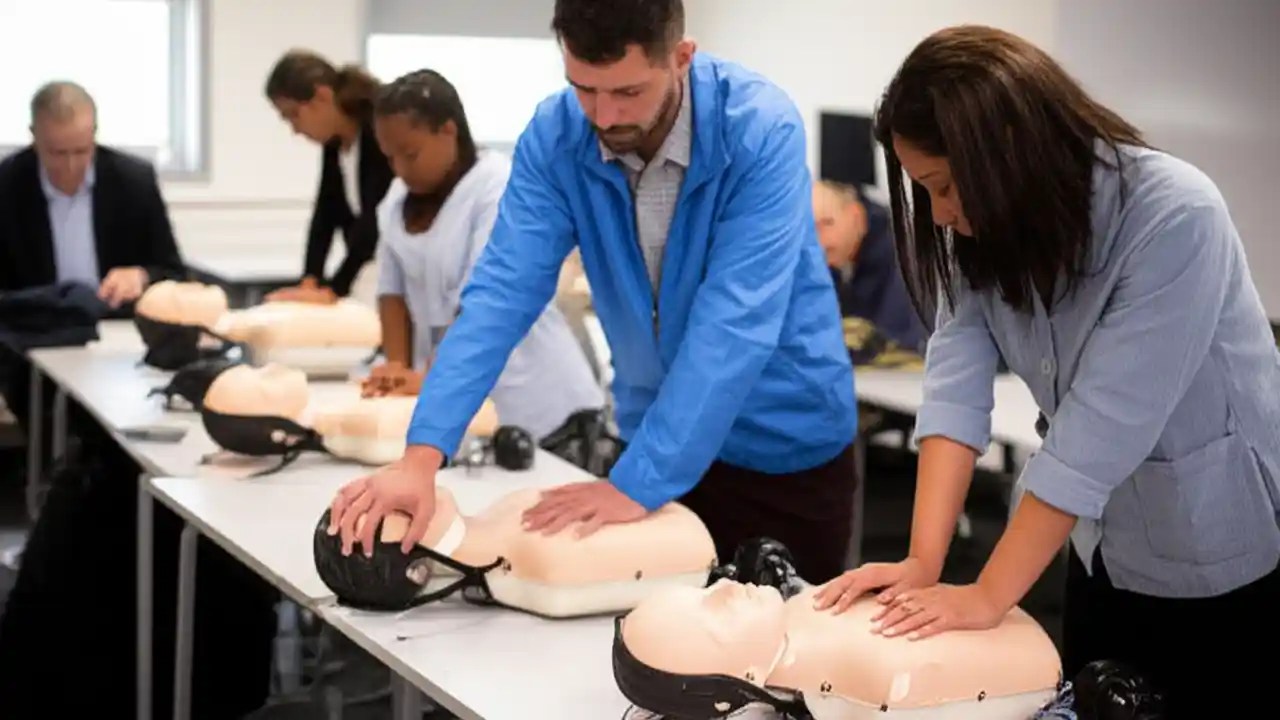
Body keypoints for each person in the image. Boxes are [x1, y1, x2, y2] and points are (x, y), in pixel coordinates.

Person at [813, 26, 1280, 716]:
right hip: (1098, 549)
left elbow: (1097, 433)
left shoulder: (1175, 215)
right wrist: (923, 561)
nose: (940, 214)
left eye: (943, 187)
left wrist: (987, 594)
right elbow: (953, 386)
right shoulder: (987, 228)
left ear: (1005, 149)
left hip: (1218, 560)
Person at [327, 0, 858, 584]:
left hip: (779, 446)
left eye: (627, 92)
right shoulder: (556, 138)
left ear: (682, 58)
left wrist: (639, 480)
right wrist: (421, 455)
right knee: (655, 654)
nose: (603, 116)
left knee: (784, 657)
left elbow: (733, 325)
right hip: (650, 437)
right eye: (583, 88)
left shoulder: (758, 128)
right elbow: (502, 294)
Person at [360, 69, 606, 445]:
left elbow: (482, 305)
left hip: (540, 409)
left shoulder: (499, 189)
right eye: (390, 157)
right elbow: (391, 292)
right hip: (462, 404)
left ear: (448, 131)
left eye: (410, 154)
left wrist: (434, 380)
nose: (400, 169)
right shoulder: (395, 199)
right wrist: (397, 368)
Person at [0, 80, 186, 450]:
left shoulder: (132, 180)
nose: (70, 165)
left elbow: (174, 271)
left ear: (95, 134)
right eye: (57, 152)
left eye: (81, 151)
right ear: (34, 136)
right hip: (36, 338)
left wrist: (142, 275)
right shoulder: (7, 185)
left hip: (119, 337)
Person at [263, 50, 394, 303]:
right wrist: (310, 279)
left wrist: (335, 288)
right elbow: (325, 213)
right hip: (375, 267)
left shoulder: (380, 133)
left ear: (322, 96)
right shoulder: (335, 145)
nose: (295, 129)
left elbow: (375, 221)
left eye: (294, 115)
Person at [812, 179, 927, 354]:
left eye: (828, 223)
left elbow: (905, 343)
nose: (820, 241)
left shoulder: (904, 256)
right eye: (809, 228)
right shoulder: (831, 262)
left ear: (857, 217)